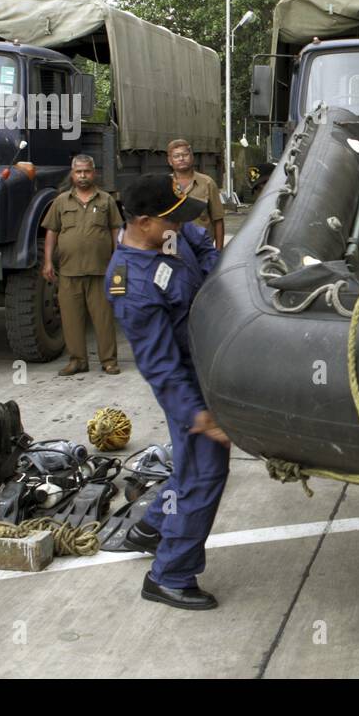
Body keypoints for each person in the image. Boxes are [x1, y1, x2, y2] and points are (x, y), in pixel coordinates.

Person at [106, 175, 231, 610]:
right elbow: (158, 365)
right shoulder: (133, 286)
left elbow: (201, 244)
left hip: (204, 362)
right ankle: (169, 575)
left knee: (191, 468)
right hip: (186, 384)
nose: (178, 226)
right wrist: (197, 414)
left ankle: (151, 525)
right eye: (169, 221)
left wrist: (219, 276)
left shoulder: (169, 236)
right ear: (141, 222)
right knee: (204, 474)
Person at [41, 155, 124, 376]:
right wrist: (48, 261)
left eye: (87, 171)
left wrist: (118, 261)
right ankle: (77, 361)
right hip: (68, 271)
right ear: (72, 174)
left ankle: (109, 361)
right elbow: (51, 232)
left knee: (103, 319)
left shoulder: (106, 200)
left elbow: (116, 230)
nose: (83, 176)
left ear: (93, 173)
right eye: (78, 172)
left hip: (100, 271)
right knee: (71, 320)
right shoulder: (61, 201)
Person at [167, 138, 226, 250]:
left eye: (185, 154)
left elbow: (218, 219)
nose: (181, 158)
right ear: (170, 161)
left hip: (201, 248)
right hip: (173, 248)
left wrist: (218, 253)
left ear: (192, 157)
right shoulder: (165, 185)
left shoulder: (207, 183)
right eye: (176, 156)